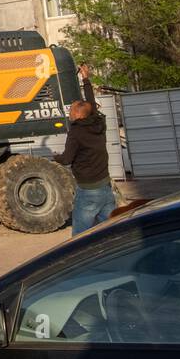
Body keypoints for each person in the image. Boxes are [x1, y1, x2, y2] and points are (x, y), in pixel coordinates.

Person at [55, 63, 114, 235]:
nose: (69, 113)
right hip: (105, 185)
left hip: (89, 190)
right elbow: (91, 103)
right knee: (110, 228)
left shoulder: (76, 133)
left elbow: (66, 159)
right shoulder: (97, 122)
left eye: (72, 111)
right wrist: (85, 78)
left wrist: (55, 157)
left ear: (79, 115)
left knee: (80, 234)